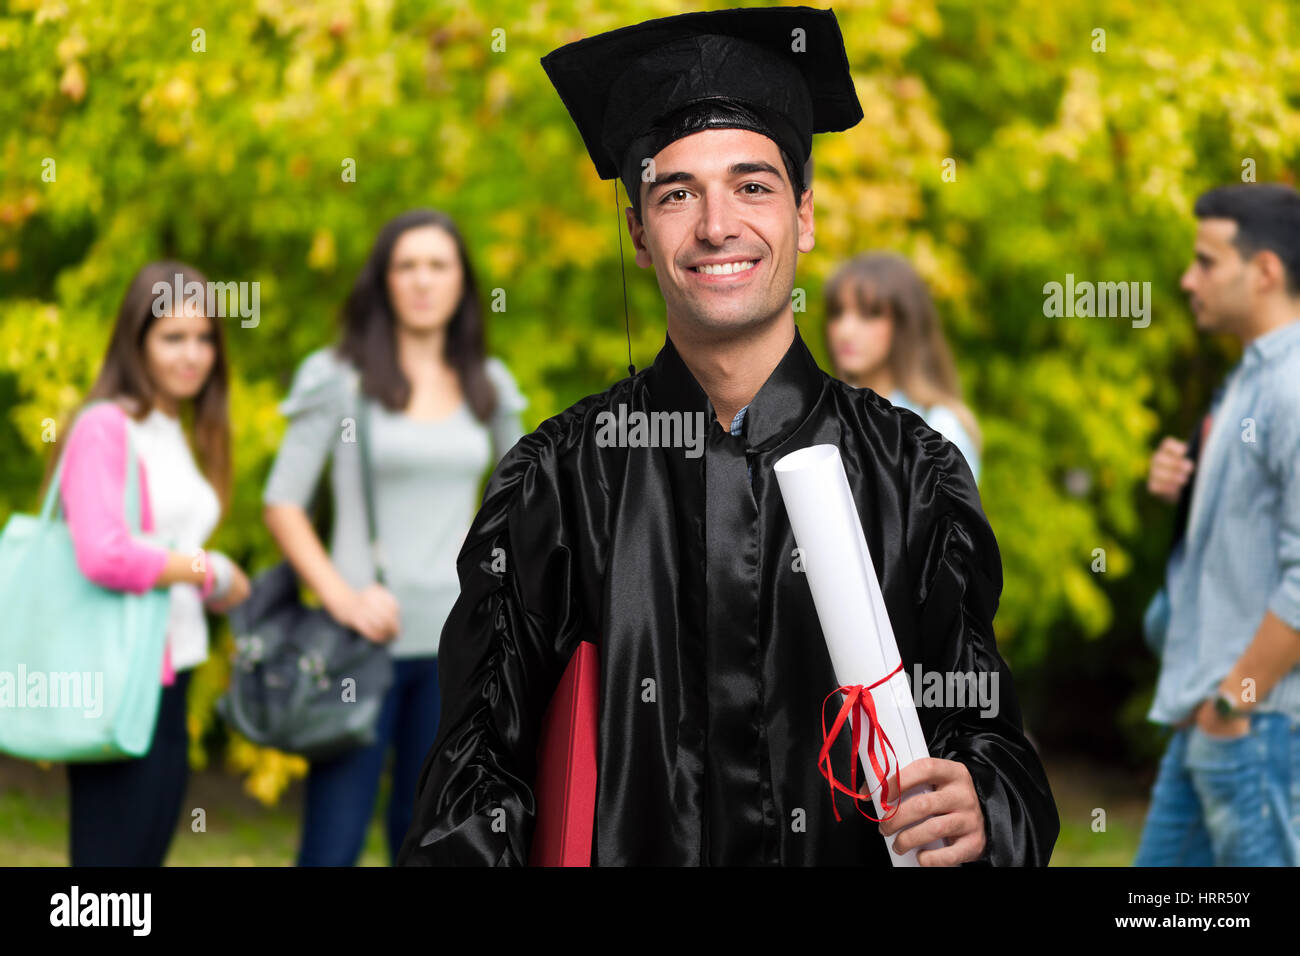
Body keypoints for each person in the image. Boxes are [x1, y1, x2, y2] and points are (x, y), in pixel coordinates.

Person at [398, 7, 1057, 867]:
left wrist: (983, 806)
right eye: (677, 194)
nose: (717, 226)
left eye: (753, 186)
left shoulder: (913, 474)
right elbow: (475, 770)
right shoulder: (557, 483)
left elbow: (988, 738)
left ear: (805, 217)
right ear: (639, 232)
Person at [262, 208, 527, 866]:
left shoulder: (488, 386)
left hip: (456, 651)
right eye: (406, 265)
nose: (422, 281)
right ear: (382, 281)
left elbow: (523, 506)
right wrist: (343, 599)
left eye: (438, 265)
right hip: (361, 646)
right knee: (333, 843)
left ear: (463, 283)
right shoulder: (338, 380)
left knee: (429, 840)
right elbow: (282, 503)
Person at [45, 259, 251, 866]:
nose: (192, 354)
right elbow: (102, 552)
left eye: (204, 337)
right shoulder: (106, 426)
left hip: (170, 671)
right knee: (109, 879)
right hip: (118, 675)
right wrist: (209, 569)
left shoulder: (174, 429)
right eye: (173, 338)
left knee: (140, 866)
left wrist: (209, 584)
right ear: (136, 342)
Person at [1135, 183, 1300, 867]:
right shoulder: (1248, 381)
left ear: (1263, 272)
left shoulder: (1291, 387)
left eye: (1206, 262)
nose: (1187, 279)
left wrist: (1234, 703)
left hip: (1253, 726)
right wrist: (1190, 479)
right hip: (1214, 720)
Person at [824, 252, 983, 482]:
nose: (845, 331)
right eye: (837, 313)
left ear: (904, 323)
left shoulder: (940, 426)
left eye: (869, 314)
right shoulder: (822, 415)